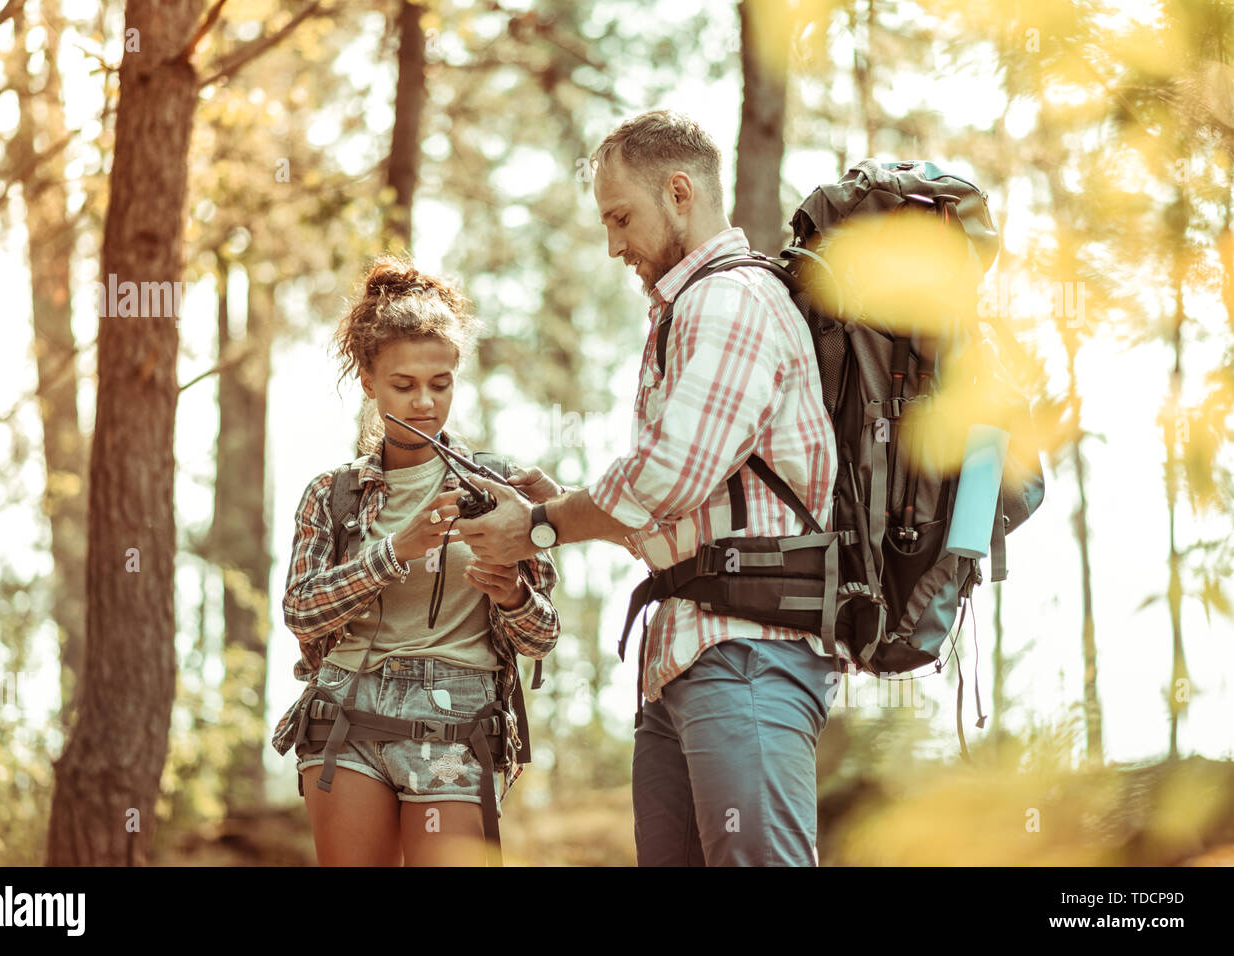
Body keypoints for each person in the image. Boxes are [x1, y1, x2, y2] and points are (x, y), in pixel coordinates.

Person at [455, 110, 849, 866]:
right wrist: (563, 501)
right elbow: (679, 503)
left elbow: (666, 475)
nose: (613, 245)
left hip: (746, 656)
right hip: (683, 664)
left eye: (620, 217)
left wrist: (541, 523)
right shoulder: (689, 311)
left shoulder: (729, 301)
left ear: (678, 192)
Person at [270, 255, 560, 866]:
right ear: (369, 381)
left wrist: (509, 592)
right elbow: (301, 612)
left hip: (459, 716)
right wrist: (393, 552)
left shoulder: (500, 486)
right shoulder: (333, 494)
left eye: (441, 383)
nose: (424, 402)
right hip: (344, 710)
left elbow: (542, 637)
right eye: (402, 385)